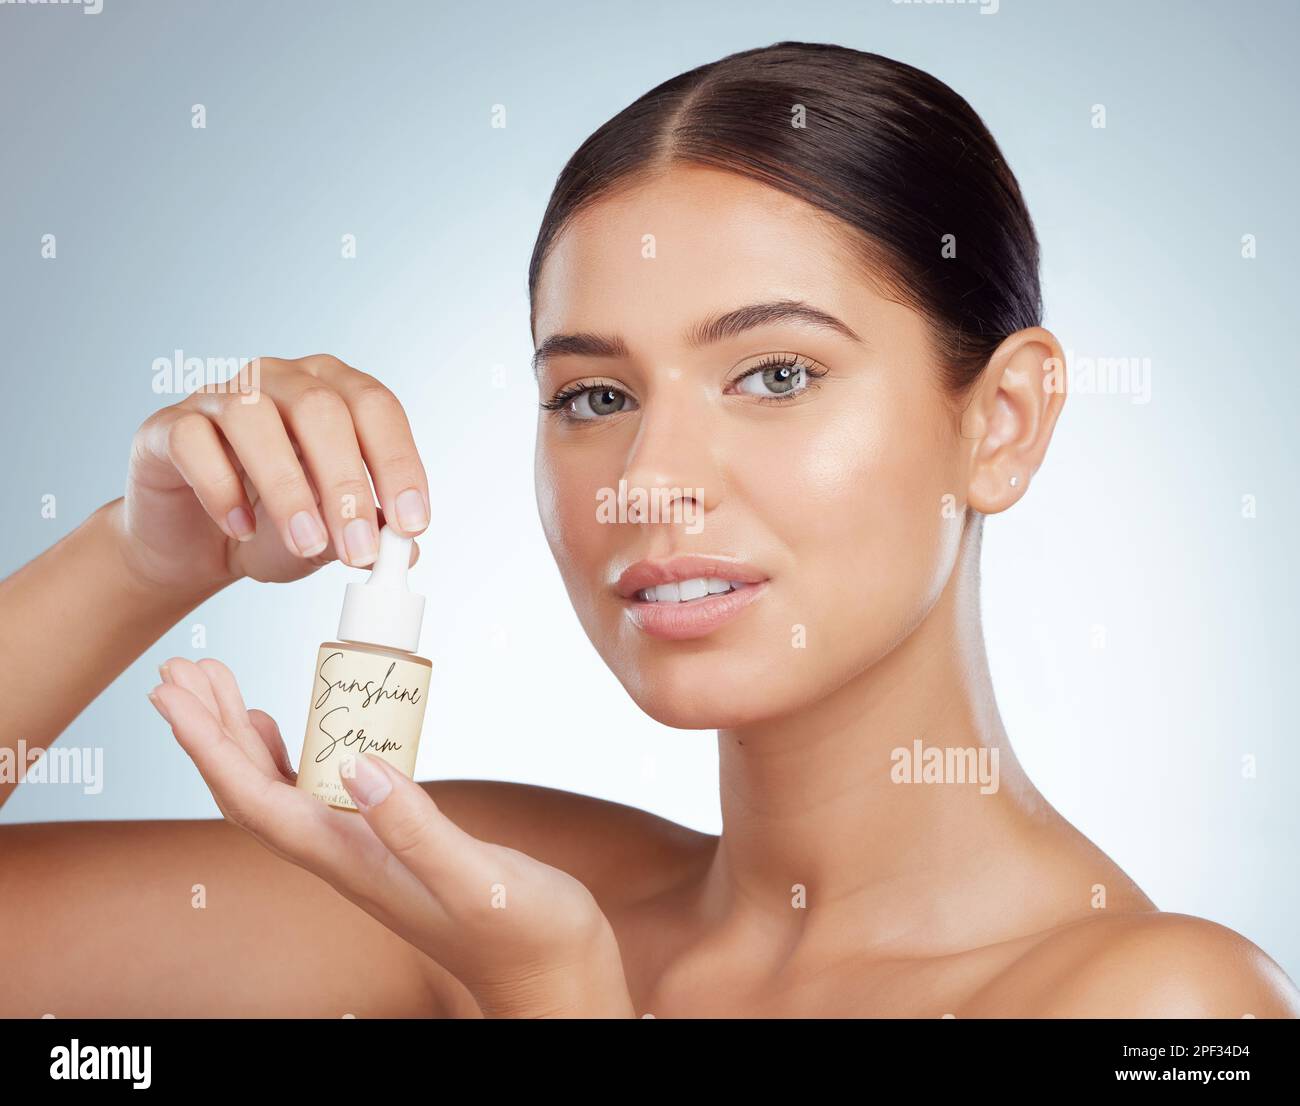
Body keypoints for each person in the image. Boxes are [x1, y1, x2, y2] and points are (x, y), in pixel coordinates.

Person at [2, 42, 1296, 1018]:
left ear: (1002, 420)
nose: (648, 477)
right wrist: (142, 558)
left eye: (777, 373)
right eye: (595, 396)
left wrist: (558, 996)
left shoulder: (1165, 1005)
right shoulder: (472, 886)